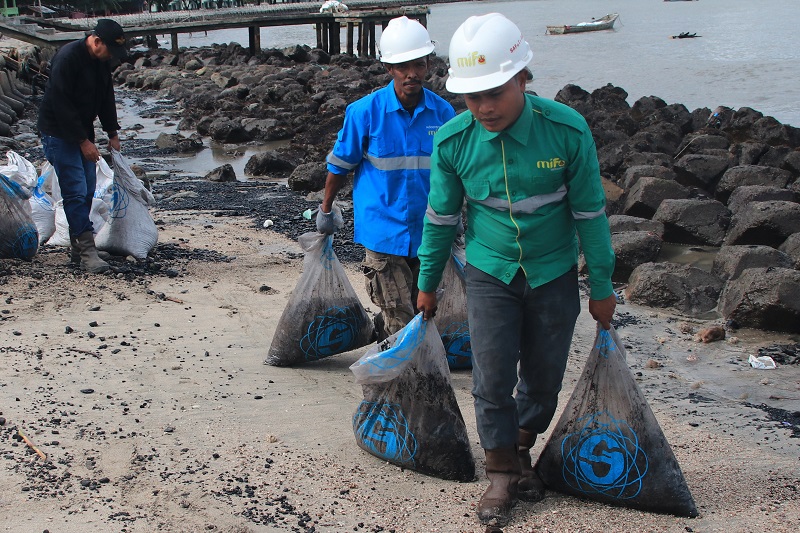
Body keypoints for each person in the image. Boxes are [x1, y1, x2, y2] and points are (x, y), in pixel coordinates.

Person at [415, 13, 616, 526]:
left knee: (545, 377)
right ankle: (501, 468)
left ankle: (524, 443)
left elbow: (591, 214)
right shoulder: (453, 143)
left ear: (524, 77)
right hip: (489, 272)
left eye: (495, 93)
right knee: (491, 374)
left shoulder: (567, 132)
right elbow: (440, 219)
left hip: (553, 272)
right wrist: (428, 284)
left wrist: (602, 284)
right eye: (472, 96)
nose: (483, 107)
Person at [317, 16, 456, 340]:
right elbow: (339, 166)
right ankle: (401, 382)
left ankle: (394, 348)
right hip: (383, 229)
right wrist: (325, 211)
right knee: (400, 314)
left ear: (428, 65)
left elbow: (454, 173)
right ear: (389, 68)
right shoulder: (365, 113)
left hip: (430, 233)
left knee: (426, 311)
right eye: (403, 66)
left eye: (418, 65)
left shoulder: (443, 114)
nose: (412, 73)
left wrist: (459, 221)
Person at [38, 18, 128, 274]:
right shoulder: (68, 59)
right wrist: (83, 141)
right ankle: (87, 252)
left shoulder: (100, 62)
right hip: (58, 132)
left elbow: (105, 97)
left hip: (81, 130)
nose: (111, 56)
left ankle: (79, 247)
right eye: (109, 50)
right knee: (75, 191)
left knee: (88, 188)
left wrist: (112, 132)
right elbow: (61, 105)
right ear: (96, 41)